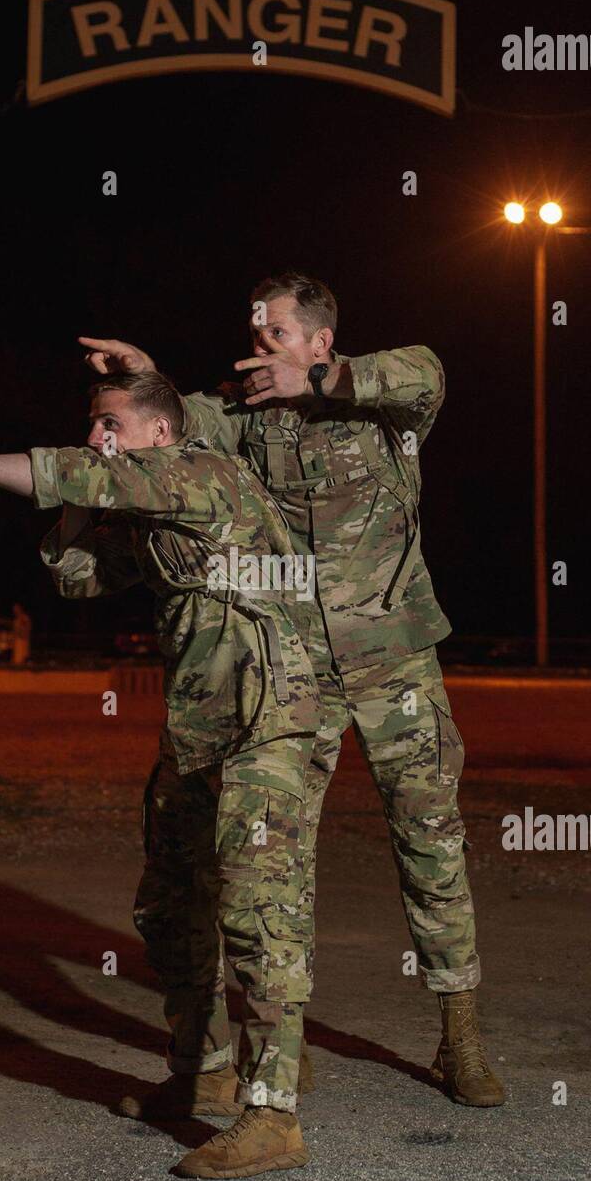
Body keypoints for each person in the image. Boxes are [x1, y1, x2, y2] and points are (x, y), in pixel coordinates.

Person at [0, 371, 322, 1180]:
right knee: (168, 902)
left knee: (261, 905)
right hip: (199, 723)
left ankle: (273, 1116)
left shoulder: (203, 473)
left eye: (111, 425)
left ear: (159, 432)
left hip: (272, 718)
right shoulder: (144, 507)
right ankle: (206, 1068)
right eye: (91, 427)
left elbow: (74, 472)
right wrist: (93, 489)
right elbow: (74, 574)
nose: (97, 437)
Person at [80, 272, 505, 1109]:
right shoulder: (247, 416)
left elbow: (428, 371)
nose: (258, 343)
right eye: (254, 328)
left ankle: (460, 1035)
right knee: (276, 858)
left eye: (275, 332)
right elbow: (179, 420)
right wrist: (147, 369)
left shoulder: (383, 402)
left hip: (395, 663)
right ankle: (283, 1051)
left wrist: (320, 383)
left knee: (430, 844)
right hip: (298, 672)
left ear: (319, 340)